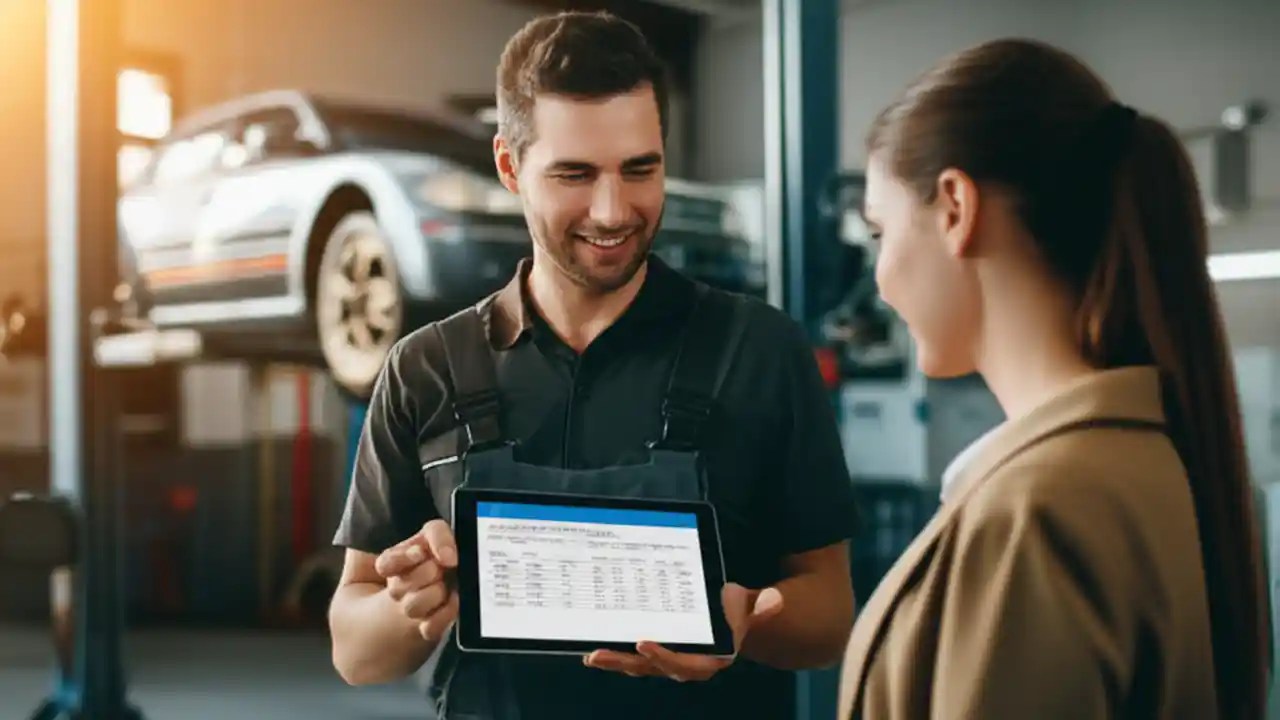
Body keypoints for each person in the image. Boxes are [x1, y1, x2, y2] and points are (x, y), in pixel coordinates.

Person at [327, 10, 861, 719]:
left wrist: (750, 617)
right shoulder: (427, 369)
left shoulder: (759, 350)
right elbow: (355, 650)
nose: (612, 212)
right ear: (509, 166)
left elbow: (829, 615)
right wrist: (414, 603)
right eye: (574, 175)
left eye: (640, 169)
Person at [836, 38, 1271, 719]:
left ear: (955, 208)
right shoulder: (1138, 458)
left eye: (878, 233)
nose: (881, 282)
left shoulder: (1035, 509)